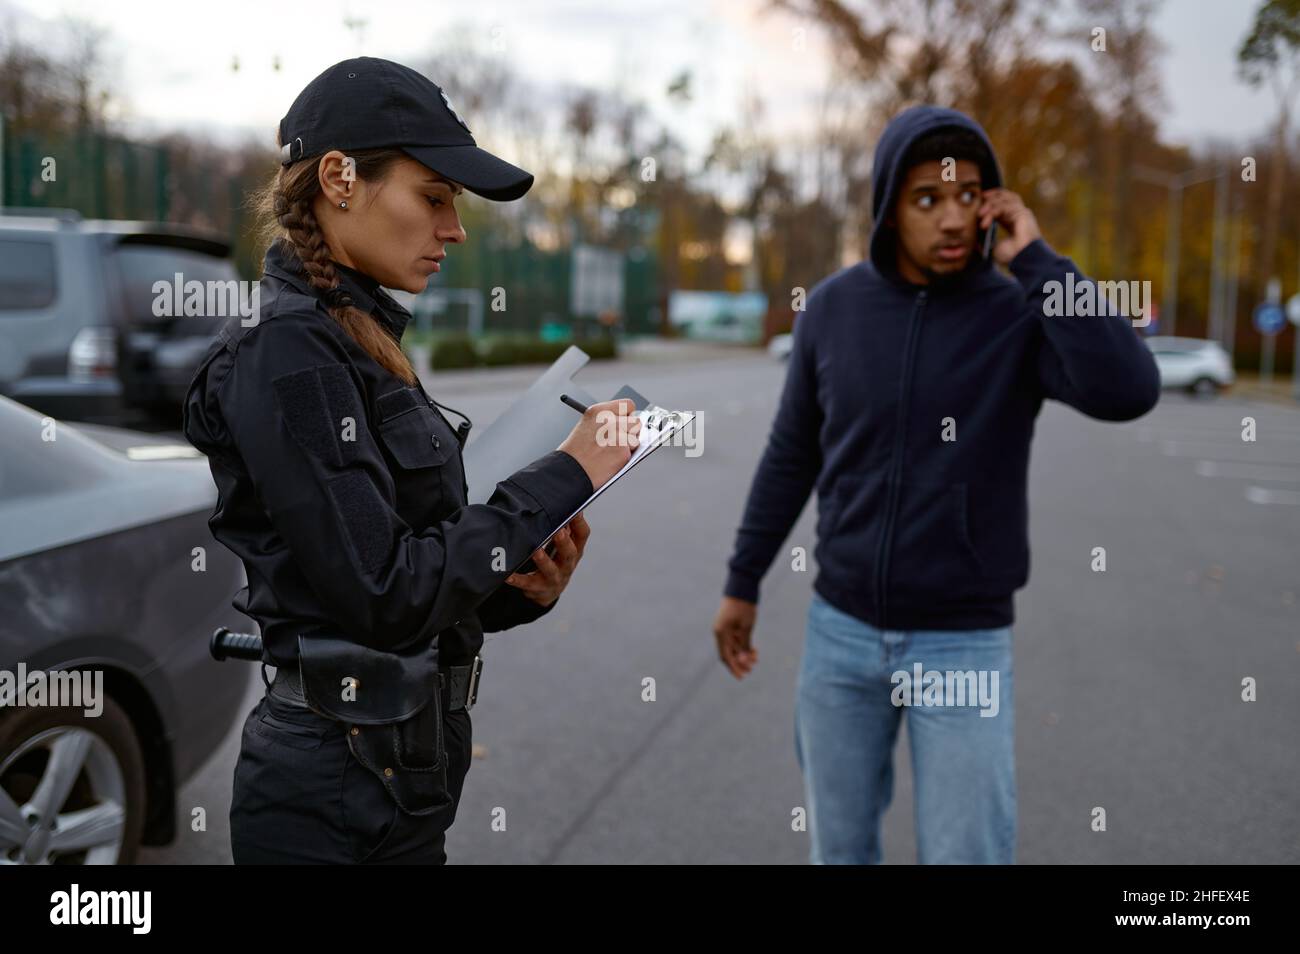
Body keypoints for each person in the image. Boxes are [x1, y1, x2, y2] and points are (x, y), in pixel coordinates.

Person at [183, 56, 640, 864]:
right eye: (433, 198)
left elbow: (407, 582)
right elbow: (383, 594)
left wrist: (516, 588)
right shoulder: (289, 353)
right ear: (340, 179)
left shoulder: (355, 336)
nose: (454, 229)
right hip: (332, 792)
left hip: (395, 776)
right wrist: (569, 472)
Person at [712, 105, 1161, 864]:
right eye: (928, 199)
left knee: (966, 853)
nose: (952, 218)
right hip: (841, 633)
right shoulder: (832, 310)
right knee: (840, 851)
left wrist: (1040, 261)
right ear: (890, 209)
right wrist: (742, 580)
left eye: (968, 196)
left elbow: (1130, 388)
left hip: (963, 644)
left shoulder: (1018, 313)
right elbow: (791, 455)